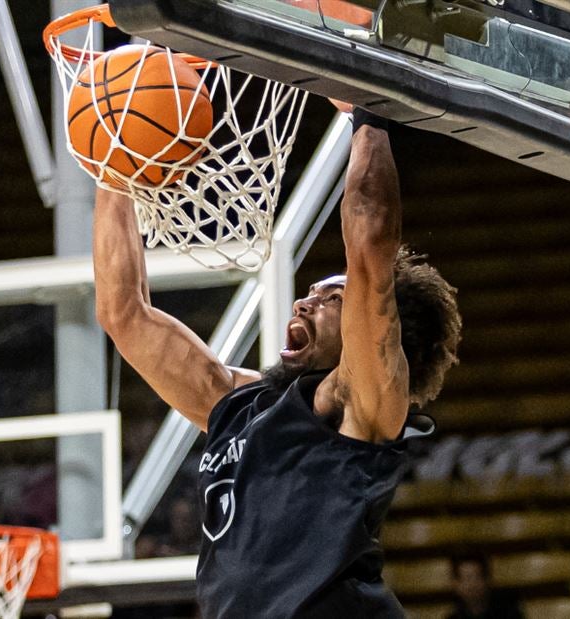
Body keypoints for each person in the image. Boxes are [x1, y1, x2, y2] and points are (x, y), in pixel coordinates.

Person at [92, 102, 462, 618]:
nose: (303, 302)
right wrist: (112, 165)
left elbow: (372, 242)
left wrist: (368, 117)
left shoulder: (363, 402)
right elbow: (124, 313)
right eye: (310, 292)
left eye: (334, 300)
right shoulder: (238, 405)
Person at [447, 554, 524, 619]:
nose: (472, 585)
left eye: (477, 577)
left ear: (487, 580)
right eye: (467, 578)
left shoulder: (509, 613)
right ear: (455, 584)